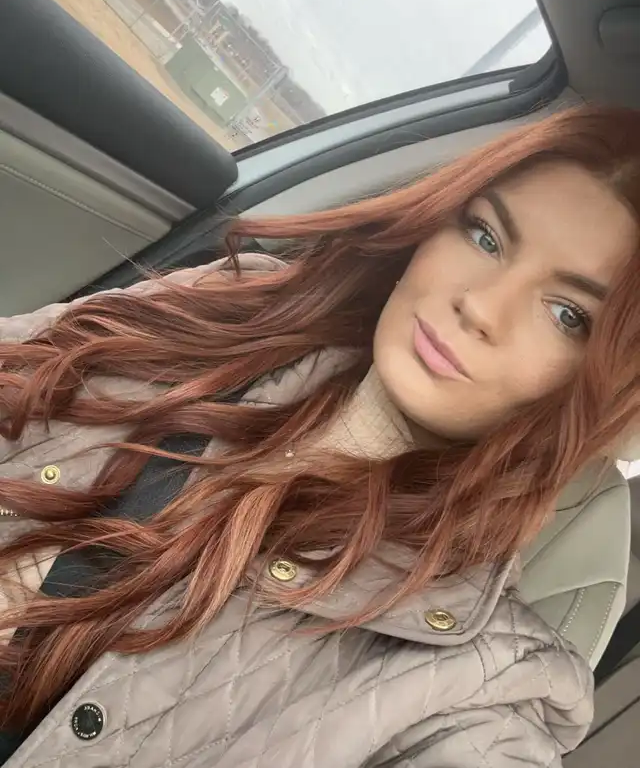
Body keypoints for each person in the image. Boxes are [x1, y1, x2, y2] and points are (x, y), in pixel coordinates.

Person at [0, 105, 637, 768]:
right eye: (485, 235)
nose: (479, 305)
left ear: (608, 390)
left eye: (568, 315)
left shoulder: (484, 685)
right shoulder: (237, 302)